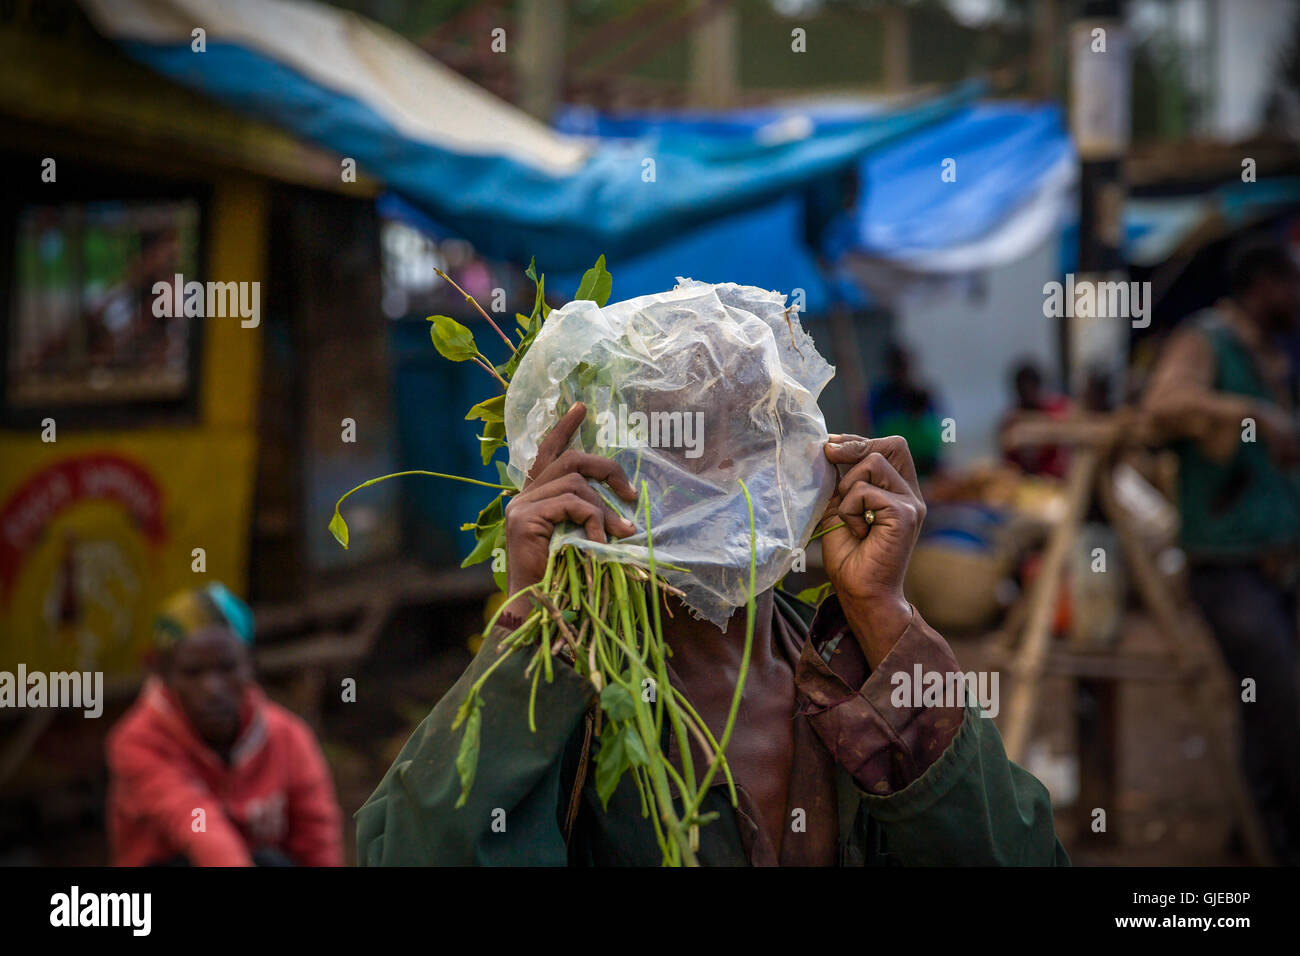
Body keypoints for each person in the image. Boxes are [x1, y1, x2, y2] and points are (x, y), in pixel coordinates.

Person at [357, 403, 1067, 866]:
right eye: (677, 450)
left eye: (752, 440)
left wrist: (883, 611)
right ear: (604, 476)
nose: (717, 479)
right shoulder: (566, 686)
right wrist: (535, 623)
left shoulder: (858, 675)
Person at [1142, 234, 1300, 865]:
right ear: (1264, 285)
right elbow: (1164, 404)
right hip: (1226, 570)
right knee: (1284, 707)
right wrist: (1255, 414)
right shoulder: (1205, 340)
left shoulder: (1269, 354)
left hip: (1274, 565)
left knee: (1265, 713)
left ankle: (1257, 841)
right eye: (1292, 282)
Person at [106, 583, 343, 866]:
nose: (212, 689)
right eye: (193, 673)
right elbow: (191, 817)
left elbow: (317, 837)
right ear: (166, 675)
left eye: (227, 668)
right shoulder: (137, 741)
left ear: (250, 667)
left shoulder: (288, 738)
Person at [864, 344, 945, 479]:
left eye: (905, 366)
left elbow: (945, 423)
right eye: (898, 367)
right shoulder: (881, 397)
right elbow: (871, 429)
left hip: (928, 465)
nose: (902, 372)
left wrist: (947, 443)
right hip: (893, 465)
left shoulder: (923, 393)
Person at [998, 359, 1070, 479]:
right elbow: (1008, 461)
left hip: (1053, 480)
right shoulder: (1010, 421)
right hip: (1023, 483)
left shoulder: (1054, 411)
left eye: (1031, 387)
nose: (1027, 392)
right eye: (1022, 389)